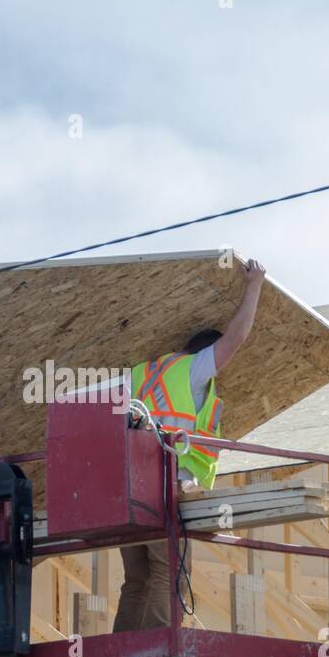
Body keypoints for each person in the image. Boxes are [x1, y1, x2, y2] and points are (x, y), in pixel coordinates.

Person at [113, 259, 266, 632]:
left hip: (125, 489)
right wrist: (255, 285)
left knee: (137, 578)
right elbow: (237, 337)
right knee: (169, 573)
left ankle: (121, 648)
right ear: (205, 355)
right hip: (161, 489)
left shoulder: (142, 373)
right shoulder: (195, 371)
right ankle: (157, 647)